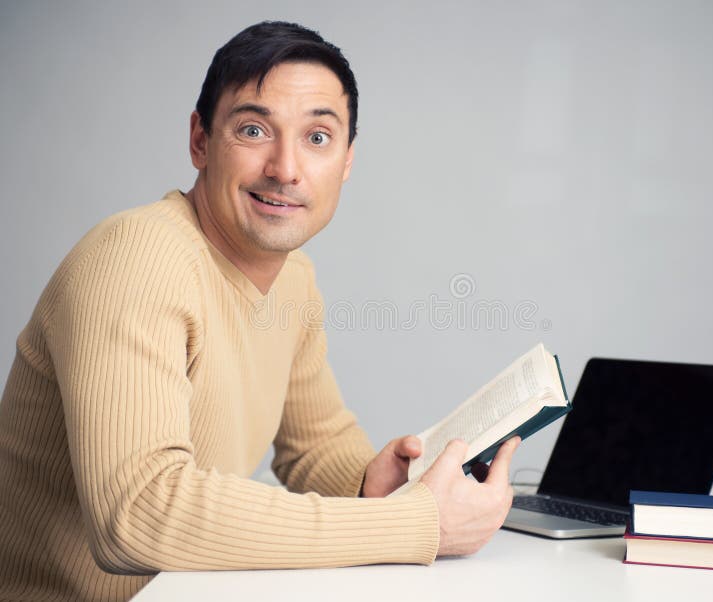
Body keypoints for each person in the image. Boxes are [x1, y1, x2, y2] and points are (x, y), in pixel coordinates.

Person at [0, 21, 519, 601]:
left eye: (317, 138)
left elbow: (315, 444)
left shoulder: (294, 278)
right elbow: (138, 514)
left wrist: (374, 482)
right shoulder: (135, 256)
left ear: (346, 161)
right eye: (254, 129)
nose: (286, 169)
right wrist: (417, 524)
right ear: (200, 140)